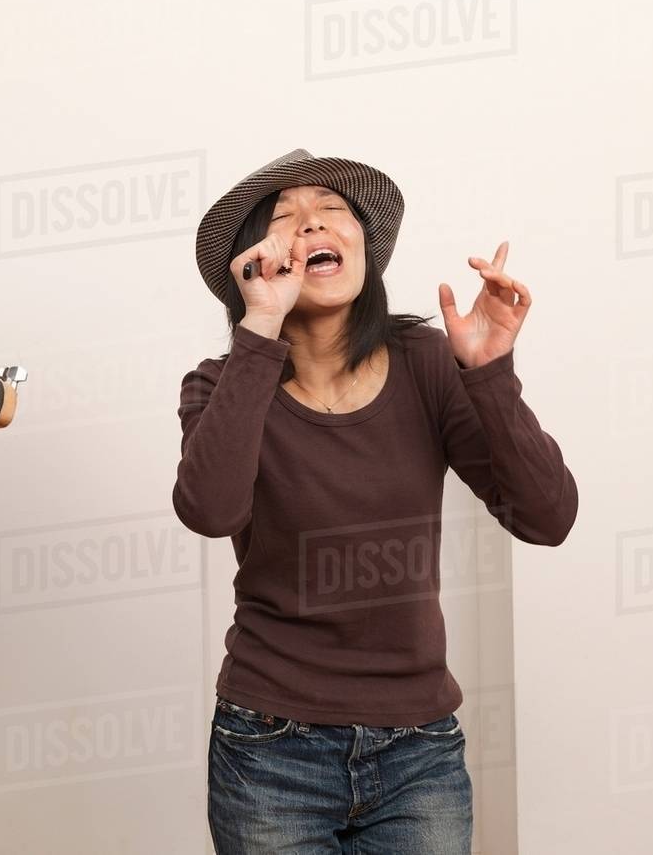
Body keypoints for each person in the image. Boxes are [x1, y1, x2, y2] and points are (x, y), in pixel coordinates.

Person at [173, 148, 578, 854]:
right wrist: (259, 331)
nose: (313, 223)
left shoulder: (427, 362)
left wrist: (489, 376)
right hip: (269, 745)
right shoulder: (219, 384)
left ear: (363, 246)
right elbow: (210, 511)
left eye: (332, 211)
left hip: (419, 750)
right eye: (287, 220)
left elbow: (548, 518)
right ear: (255, 265)